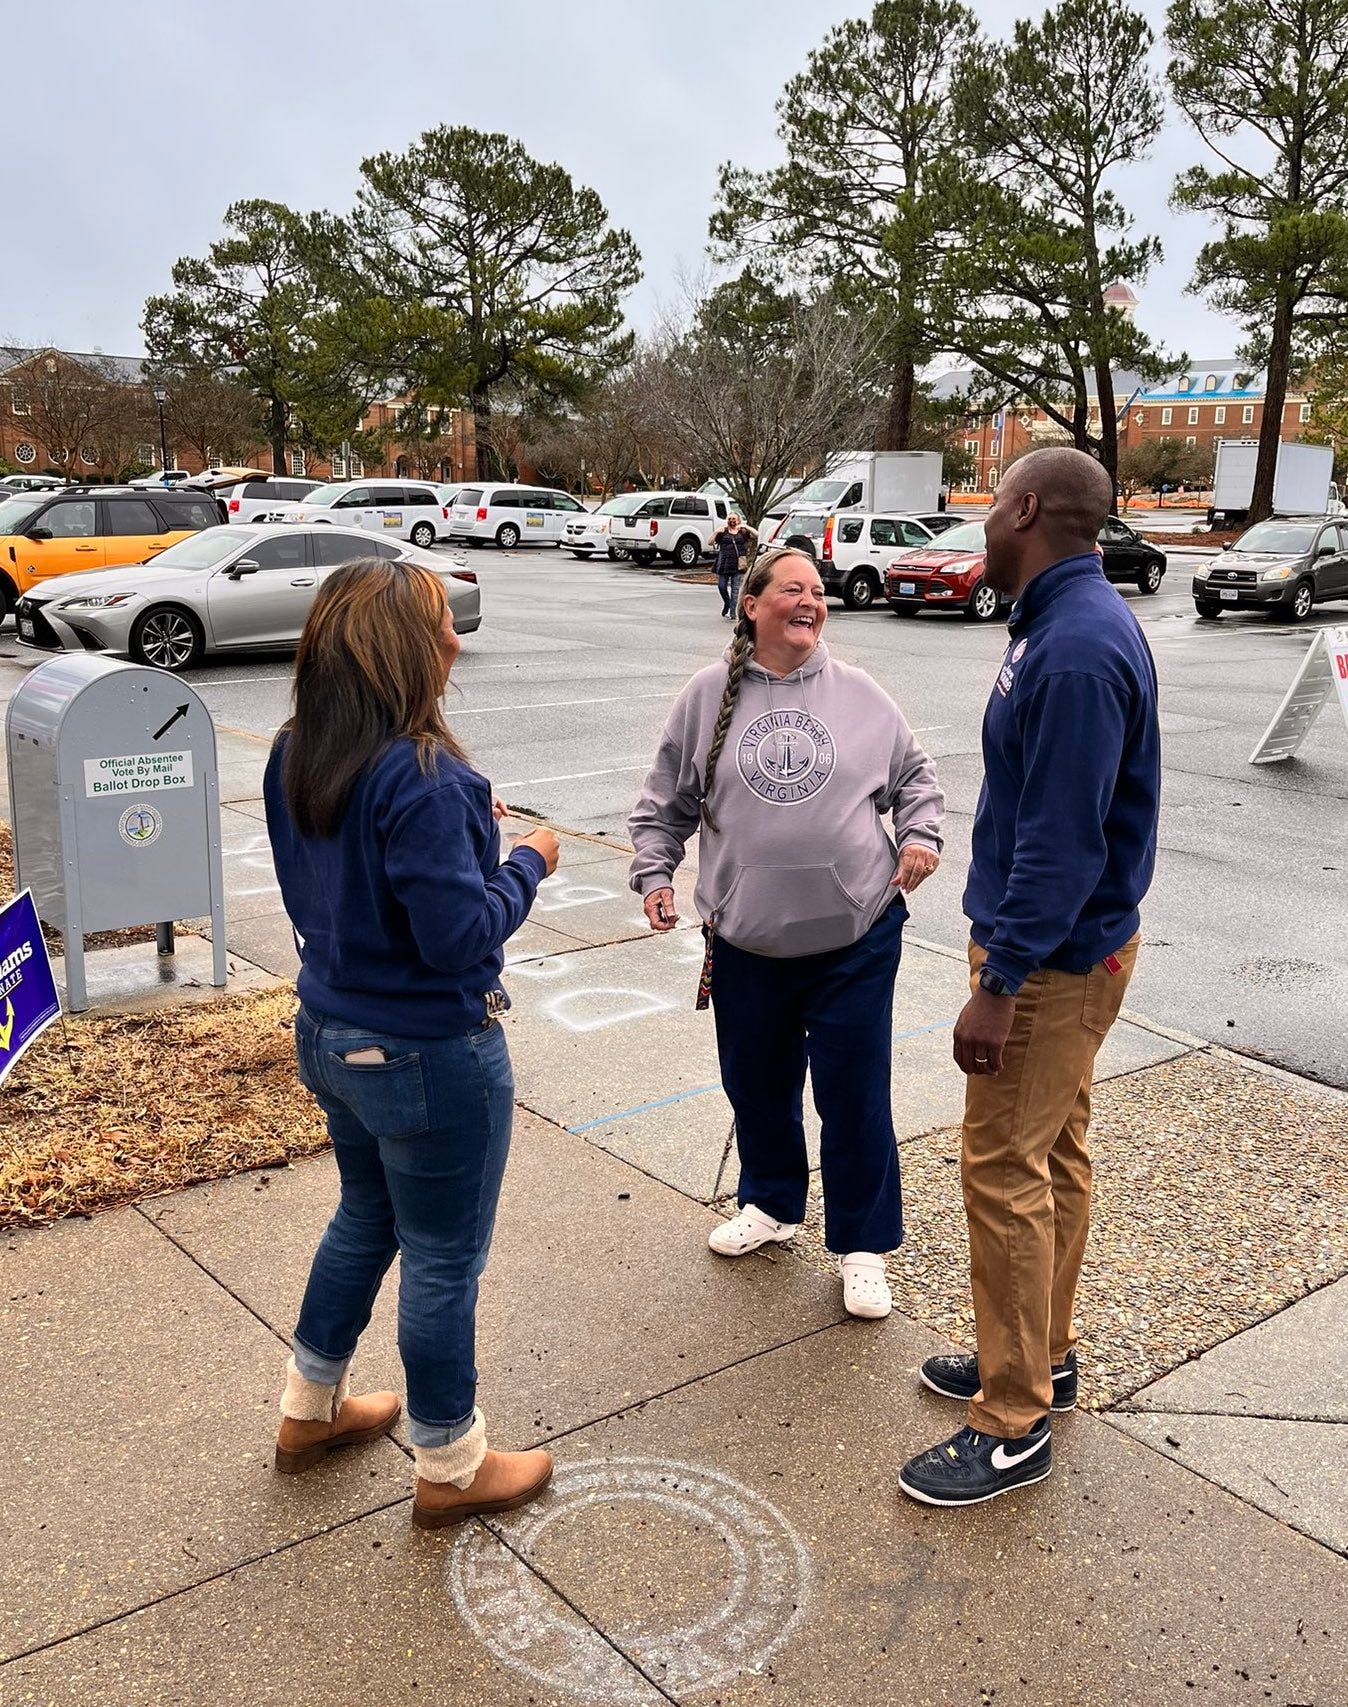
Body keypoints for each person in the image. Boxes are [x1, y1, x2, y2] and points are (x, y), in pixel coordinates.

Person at [263, 558, 561, 1528]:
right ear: (402, 649)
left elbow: (341, 884)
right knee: (441, 1256)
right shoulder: (427, 778)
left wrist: (472, 837)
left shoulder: (296, 748)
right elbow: (461, 939)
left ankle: (308, 1411)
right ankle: (452, 1464)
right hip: (427, 1052)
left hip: (329, 1030)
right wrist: (525, 861)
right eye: (442, 625)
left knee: (364, 1217)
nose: (455, 641)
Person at [898, 447, 1161, 1508]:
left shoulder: (1074, 650)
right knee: (1050, 1156)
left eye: (987, 505)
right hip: (1063, 952)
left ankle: (1011, 1424)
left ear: (1024, 509)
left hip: (1048, 962)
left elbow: (1061, 842)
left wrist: (997, 981)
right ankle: (1039, 1356)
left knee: (1003, 1170)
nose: (977, 526)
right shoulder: (1060, 623)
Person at [629, 547, 945, 1319]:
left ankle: (864, 1246)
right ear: (752, 603)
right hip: (747, 942)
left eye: (817, 591)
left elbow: (918, 779)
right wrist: (655, 873)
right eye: (792, 590)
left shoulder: (862, 696)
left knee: (854, 1091)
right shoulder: (707, 698)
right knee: (758, 1084)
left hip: (856, 936)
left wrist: (922, 835)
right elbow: (664, 802)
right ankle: (770, 1204)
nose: (810, 601)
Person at [711, 514, 746, 618]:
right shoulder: (723, 532)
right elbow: (710, 542)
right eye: (729, 519)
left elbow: (756, 534)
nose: (731, 521)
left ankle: (733, 613)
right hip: (724, 564)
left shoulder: (742, 532)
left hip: (738, 565)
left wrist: (746, 526)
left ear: (738, 520)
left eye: (734, 519)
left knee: (735, 590)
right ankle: (727, 603)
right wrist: (716, 532)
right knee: (721, 587)